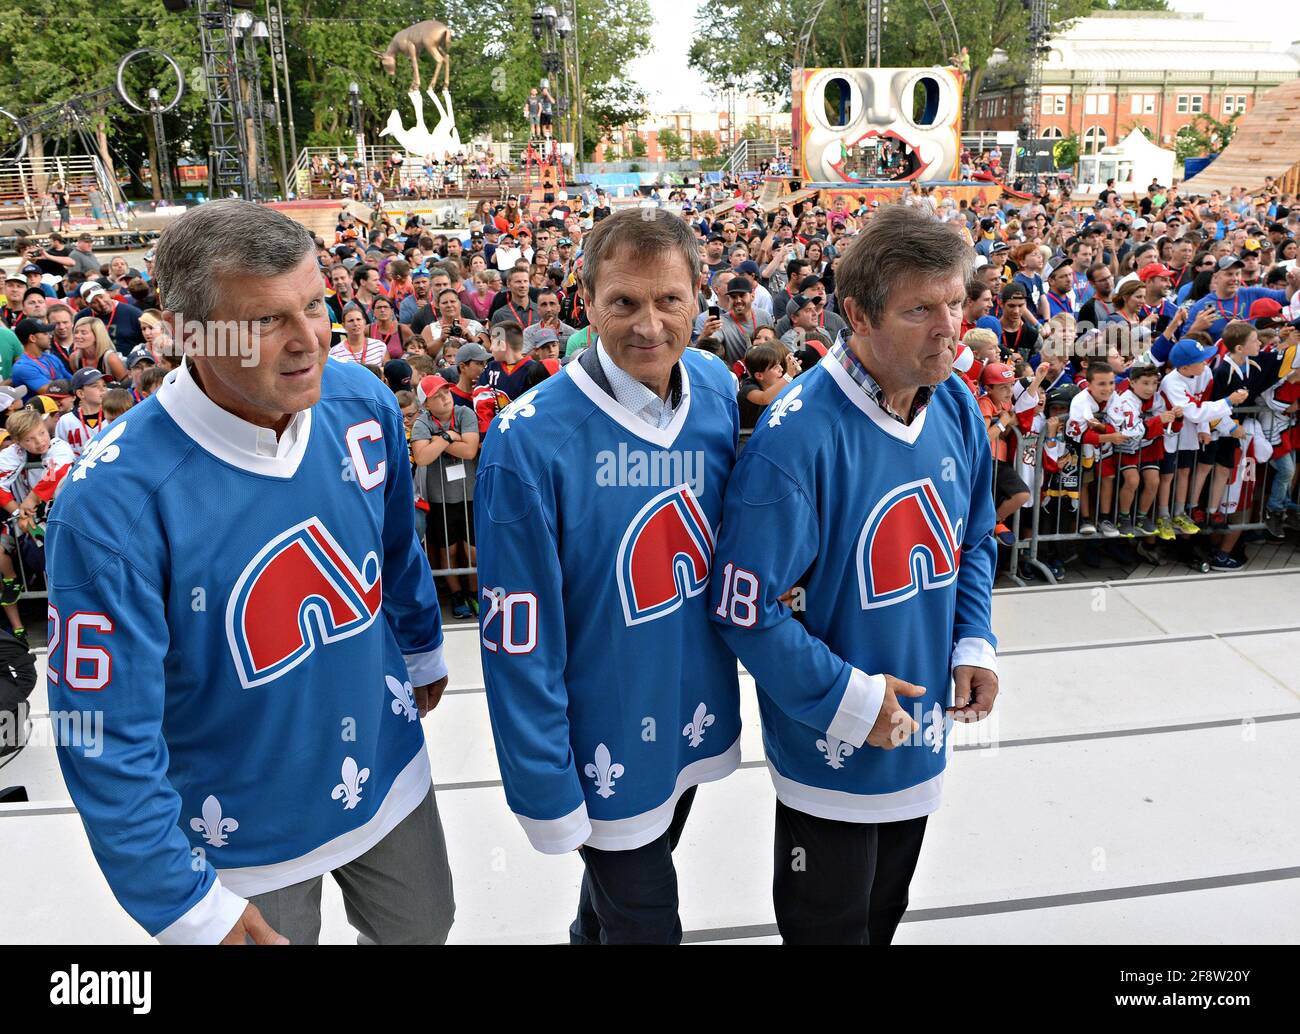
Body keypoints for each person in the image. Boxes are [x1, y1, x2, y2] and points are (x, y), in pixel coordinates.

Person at [47, 200, 454, 946]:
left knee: (427, 929)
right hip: (235, 836)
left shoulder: (361, 400)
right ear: (190, 335)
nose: (310, 342)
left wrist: (422, 644)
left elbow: (398, 549)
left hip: (387, 766)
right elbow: (100, 731)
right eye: (268, 321)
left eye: (316, 305)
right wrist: (184, 902)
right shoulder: (109, 502)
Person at [709, 204, 999, 945]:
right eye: (921, 311)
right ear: (857, 315)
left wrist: (973, 642)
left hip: (922, 732)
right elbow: (745, 608)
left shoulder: (957, 404)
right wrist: (847, 699)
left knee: (884, 919)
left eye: (957, 303)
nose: (949, 328)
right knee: (829, 932)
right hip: (832, 751)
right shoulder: (796, 437)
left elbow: (972, 540)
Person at [476, 207, 742, 945]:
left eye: (669, 300)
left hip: (688, 706)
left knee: (615, 906)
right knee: (650, 922)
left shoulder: (716, 389)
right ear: (587, 302)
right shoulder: (527, 440)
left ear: (699, 297)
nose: (649, 324)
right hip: (600, 730)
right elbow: (515, 636)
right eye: (624, 302)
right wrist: (541, 779)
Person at [411, 373, 480, 619]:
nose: (445, 399)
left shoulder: (464, 413)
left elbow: (470, 450)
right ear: (425, 404)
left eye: (446, 392)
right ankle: (457, 595)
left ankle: (474, 592)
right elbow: (422, 457)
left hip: (469, 494)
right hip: (440, 498)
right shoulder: (421, 422)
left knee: (472, 551)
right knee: (448, 551)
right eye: (436, 397)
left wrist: (436, 441)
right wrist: (450, 436)